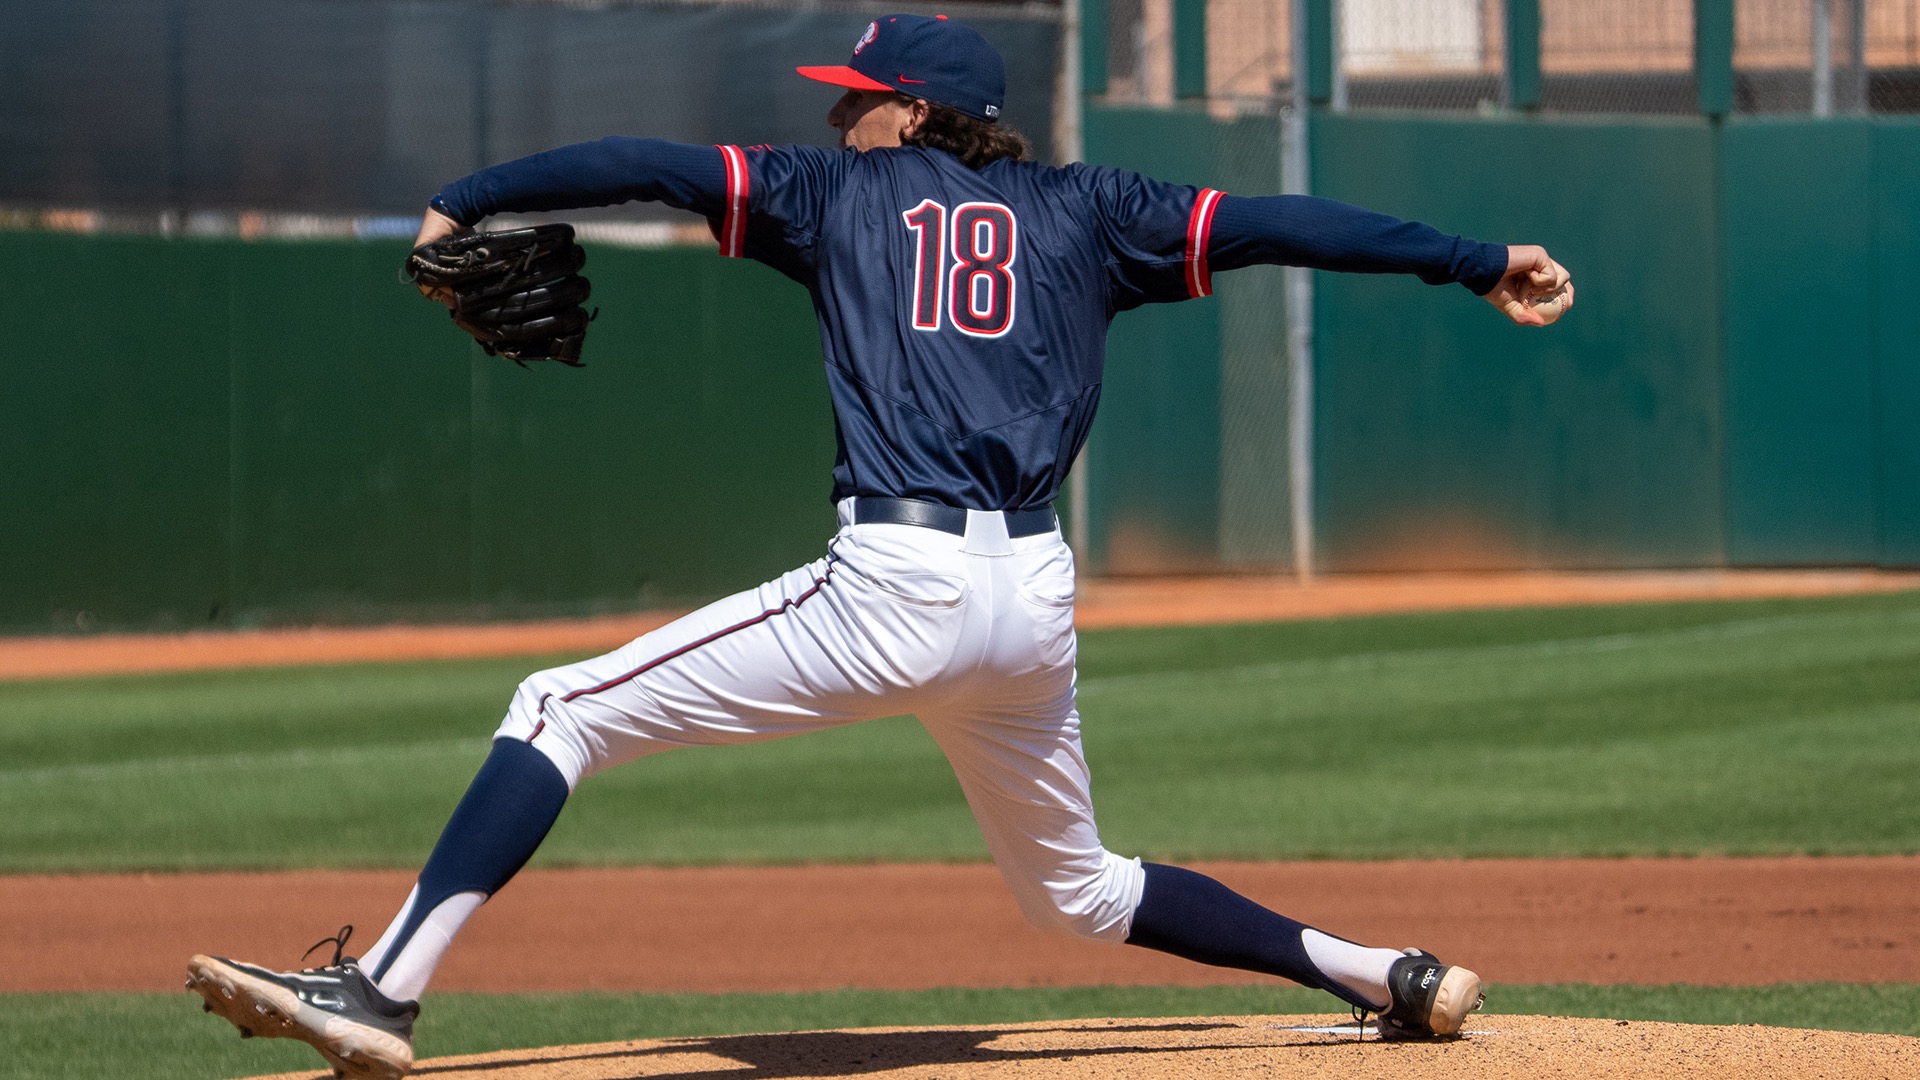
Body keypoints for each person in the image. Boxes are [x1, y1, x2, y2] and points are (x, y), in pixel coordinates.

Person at [186, 14, 1570, 1079]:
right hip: (1029, 598)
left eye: (858, 97)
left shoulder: (827, 193)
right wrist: (1471, 256)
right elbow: (1281, 227)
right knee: (1078, 892)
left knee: (558, 708)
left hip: (894, 585)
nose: (842, 116)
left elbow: (650, 167)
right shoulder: (1095, 211)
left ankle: (378, 990)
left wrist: (466, 196)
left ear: (916, 110)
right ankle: (1380, 973)